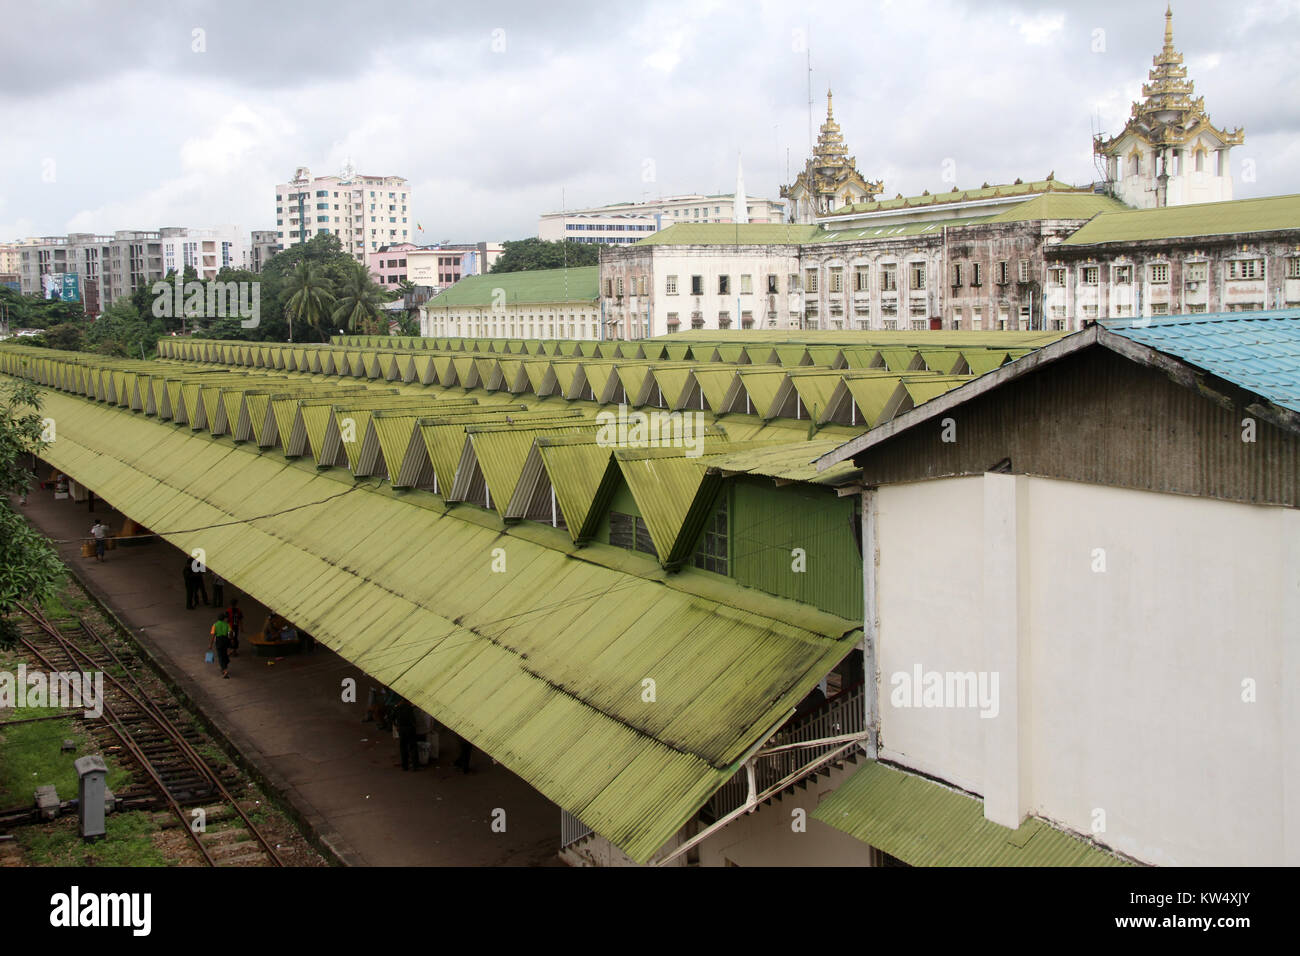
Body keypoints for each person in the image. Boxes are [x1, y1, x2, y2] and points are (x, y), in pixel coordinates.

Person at [394, 698, 418, 771]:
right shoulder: (409, 708)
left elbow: (392, 718)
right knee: (413, 747)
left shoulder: (397, 707)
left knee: (403, 748)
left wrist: (397, 726)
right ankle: (415, 766)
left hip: (401, 729)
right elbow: (413, 719)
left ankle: (405, 766)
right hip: (410, 729)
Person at [209, 614, 232, 679]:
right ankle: (225, 666)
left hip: (219, 641)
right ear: (224, 618)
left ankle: (224, 670)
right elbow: (230, 633)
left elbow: (213, 635)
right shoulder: (227, 624)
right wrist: (231, 640)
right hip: (225, 640)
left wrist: (210, 644)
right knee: (224, 654)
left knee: (220, 655)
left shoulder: (215, 625)